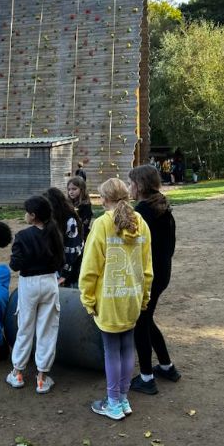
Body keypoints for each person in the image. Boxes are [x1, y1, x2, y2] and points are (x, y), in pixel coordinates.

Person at [79, 178, 153, 420]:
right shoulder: (141, 223)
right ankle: (123, 399)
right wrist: (144, 297)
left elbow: (90, 267)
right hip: (132, 299)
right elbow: (147, 268)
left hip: (109, 301)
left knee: (111, 351)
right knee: (127, 348)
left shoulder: (102, 224)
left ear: (104, 199)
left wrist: (87, 298)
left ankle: (112, 403)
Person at [128, 165, 181, 394]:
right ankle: (167, 367)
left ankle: (147, 378)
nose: (129, 188)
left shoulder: (142, 211)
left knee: (140, 323)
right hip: (161, 272)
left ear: (139, 185)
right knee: (147, 319)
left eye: (131, 183)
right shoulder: (162, 205)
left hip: (148, 276)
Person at [7, 195, 65, 393]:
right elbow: (61, 261)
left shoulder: (23, 236)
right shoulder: (54, 233)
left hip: (29, 284)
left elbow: (15, 264)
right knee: (48, 329)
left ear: (32, 215)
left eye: (27, 212)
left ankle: (17, 373)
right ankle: (42, 378)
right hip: (50, 282)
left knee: (25, 327)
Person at [44, 187, 84, 288]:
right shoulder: (52, 218)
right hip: (58, 265)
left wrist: (64, 274)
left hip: (71, 267)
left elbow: (73, 250)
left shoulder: (69, 220)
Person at [67, 176, 93, 243]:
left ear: (82, 189)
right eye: (69, 189)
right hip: (68, 236)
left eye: (74, 189)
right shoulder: (67, 204)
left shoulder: (86, 205)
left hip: (81, 237)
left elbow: (85, 224)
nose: (71, 192)